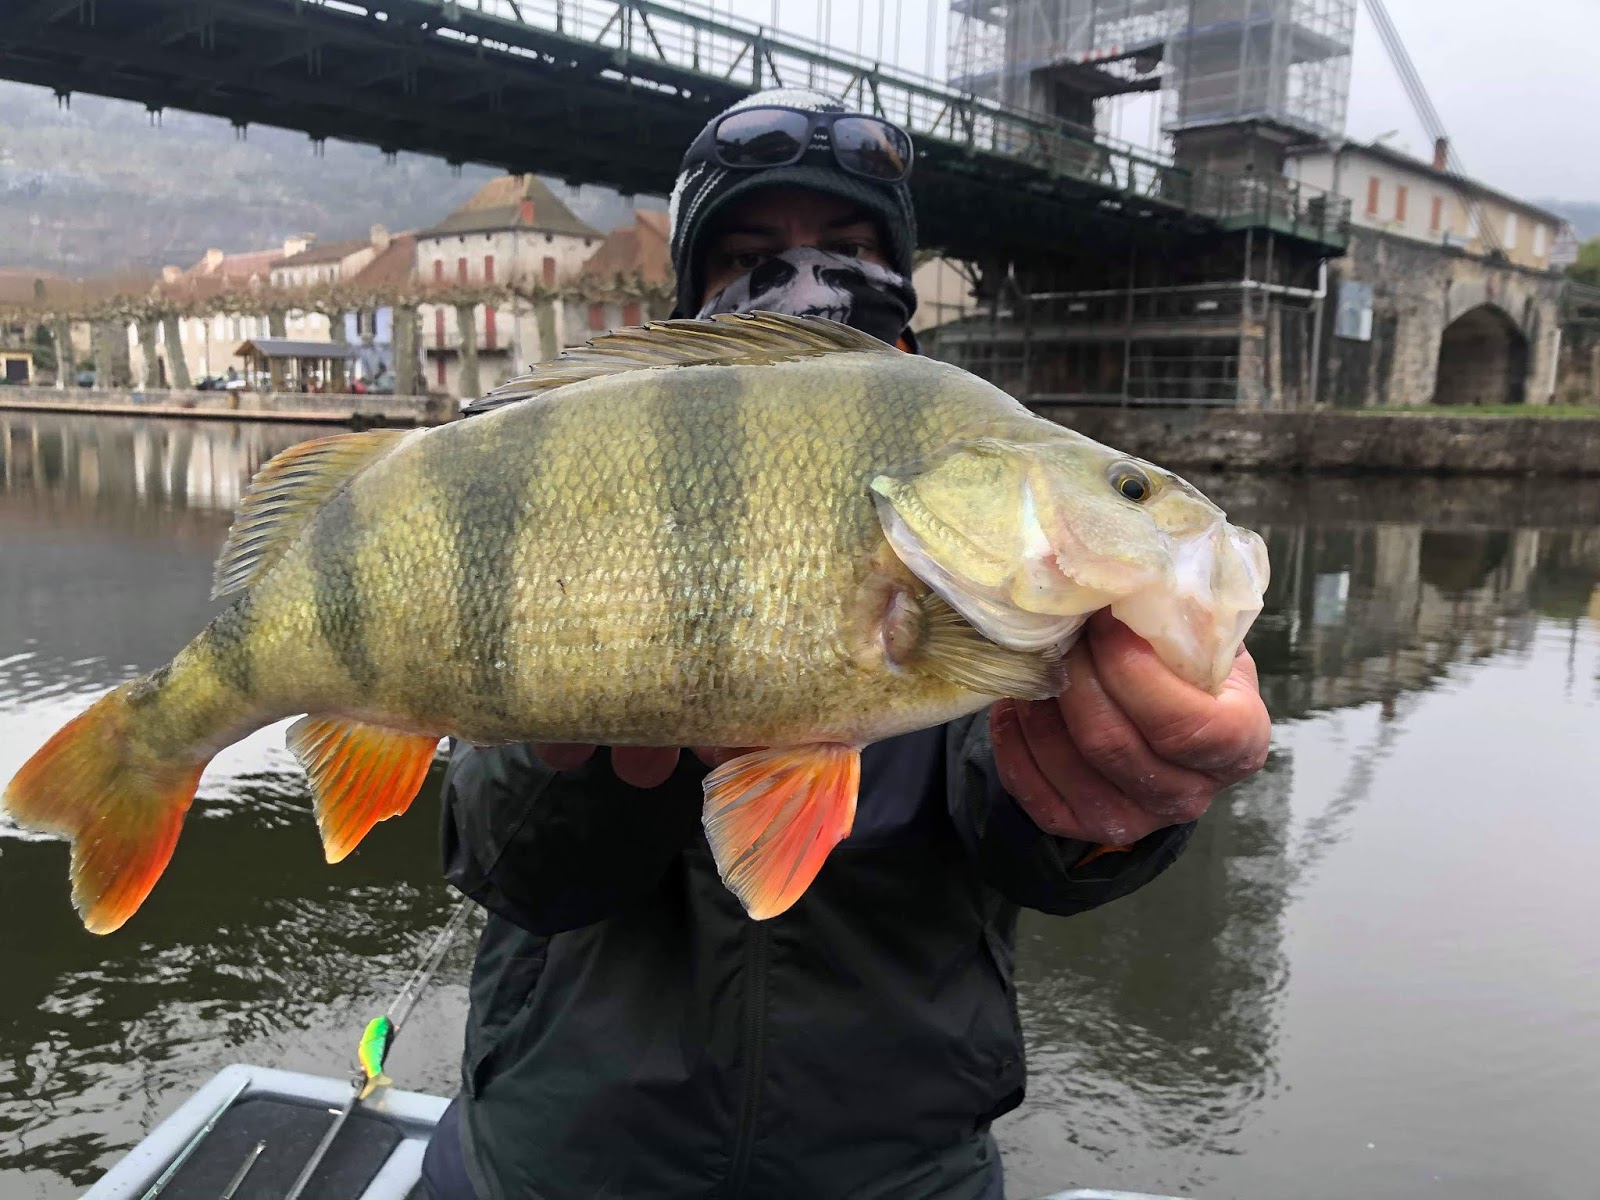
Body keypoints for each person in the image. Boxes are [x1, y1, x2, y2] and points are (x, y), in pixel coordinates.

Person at [421, 89, 1271, 1200]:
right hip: (564, 1160)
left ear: (905, 293)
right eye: (750, 250)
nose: (812, 280)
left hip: (897, 1173)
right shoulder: (601, 473)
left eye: (855, 246)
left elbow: (1023, 833)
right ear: (695, 303)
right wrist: (568, 756)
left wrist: (1118, 805)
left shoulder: (991, 561)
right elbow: (503, 864)